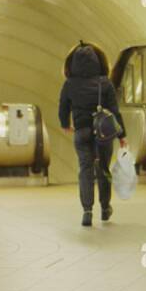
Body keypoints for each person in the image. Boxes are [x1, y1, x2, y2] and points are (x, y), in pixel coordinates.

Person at [58, 42, 127, 226]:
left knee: (85, 170)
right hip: (103, 133)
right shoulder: (105, 83)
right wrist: (122, 135)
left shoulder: (69, 84)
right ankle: (105, 208)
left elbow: (62, 108)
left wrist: (65, 124)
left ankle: (87, 211)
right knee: (103, 169)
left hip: (81, 132)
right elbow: (115, 111)